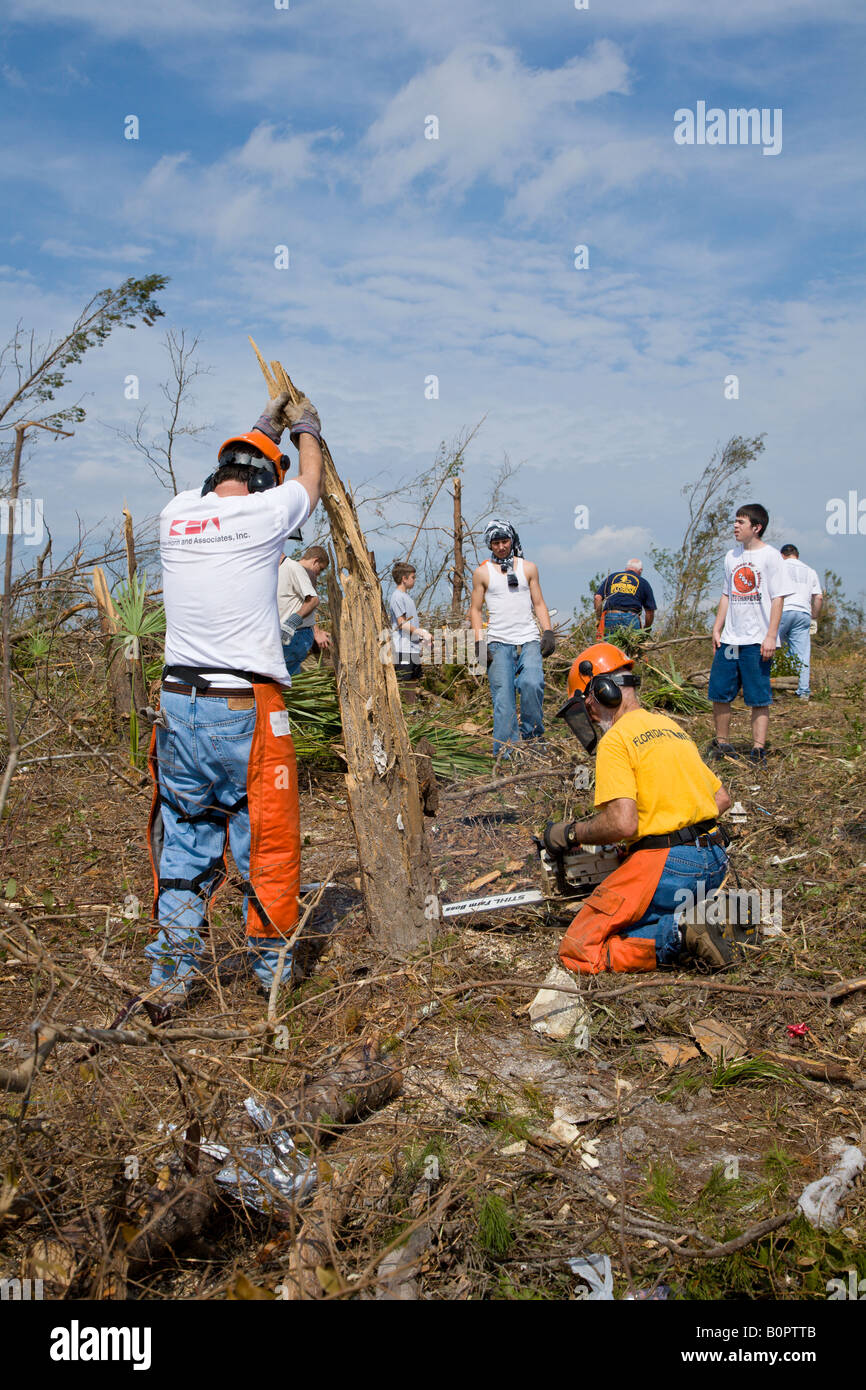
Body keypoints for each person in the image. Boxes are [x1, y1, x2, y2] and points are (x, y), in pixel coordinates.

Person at [145, 388, 323, 1010]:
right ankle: (272, 974)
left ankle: (169, 979)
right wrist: (308, 429)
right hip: (243, 707)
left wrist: (261, 425)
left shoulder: (174, 512)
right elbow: (310, 481)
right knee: (266, 839)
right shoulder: (265, 513)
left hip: (177, 704)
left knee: (188, 836)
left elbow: (227, 481)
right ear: (262, 484)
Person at [547, 643, 733, 974]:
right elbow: (721, 799)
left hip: (667, 865)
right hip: (716, 861)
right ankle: (704, 921)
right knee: (638, 917)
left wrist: (572, 832)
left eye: (585, 704)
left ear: (601, 691)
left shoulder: (616, 740)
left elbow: (621, 823)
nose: (588, 714)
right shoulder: (672, 729)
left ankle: (678, 933)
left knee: (579, 949)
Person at [708, 503, 794, 765]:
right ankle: (723, 743)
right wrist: (717, 627)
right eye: (735, 521)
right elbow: (726, 594)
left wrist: (771, 636)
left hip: (757, 640)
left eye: (741, 522)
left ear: (756, 528)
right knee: (719, 692)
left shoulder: (771, 557)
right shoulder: (731, 556)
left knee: (758, 696)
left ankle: (758, 750)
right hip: (731, 639)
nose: (735, 526)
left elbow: (778, 598)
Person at [469, 520, 556, 756]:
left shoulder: (528, 568)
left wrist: (547, 631)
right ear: (490, 544)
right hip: (498, 642)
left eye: (504, 541)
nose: (500, 547)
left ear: (512, 540)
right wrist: (479, 643)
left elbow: (538, 602)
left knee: (532, 684)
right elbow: (475, 610)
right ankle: (508, 753)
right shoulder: (482, 573)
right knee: (504, 701)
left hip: (527, 639)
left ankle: (533, 743)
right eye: (495, 543)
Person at [278, 544, 332, 676]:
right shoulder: (293, 569)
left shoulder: (297, 569)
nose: (319, 573)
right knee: (286, 681)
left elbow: (312, 601)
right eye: (321, 568)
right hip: (289, 634)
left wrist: (294, 621)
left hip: (296, 634)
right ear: (315, 561)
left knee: (286, 680)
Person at [778, 544, 823, 701]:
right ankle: (803, 691)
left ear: (782, 555)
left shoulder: (779, 566)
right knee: (802, 654)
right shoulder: (810, 571)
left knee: (774, 648)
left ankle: (772, 685)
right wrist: (814, 617)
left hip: (782, 611)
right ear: (797, 555)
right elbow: (818, 597)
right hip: (803, 613)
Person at [389, 562, 431, 682]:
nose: (415, 580)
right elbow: (401, 623)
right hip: (403, 649)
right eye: (413, 577)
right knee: (403, 685)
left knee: (412, 684)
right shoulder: (397, 597)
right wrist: (422, 632)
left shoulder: (407, 598)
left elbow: (411, 625)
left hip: (413, 649)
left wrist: (421, 639)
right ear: (404, 579)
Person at [594, 558, 656, 635]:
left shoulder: (612, 577)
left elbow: (598, 598)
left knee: (611, 646)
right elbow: (650, 611)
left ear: (626, 568)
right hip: (631, 619)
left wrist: (599, 619)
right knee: (630, 646)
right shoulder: (643, 582)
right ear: (640, 570)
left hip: (611, 616)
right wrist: (647, 628)